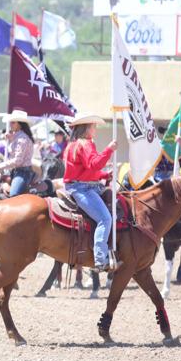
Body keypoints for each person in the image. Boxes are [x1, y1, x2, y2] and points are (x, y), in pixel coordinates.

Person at [62, 112, 118, 272]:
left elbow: (85, 170)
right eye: (93, 126)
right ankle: (101, 259)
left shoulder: (72, 144)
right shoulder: (86, 144)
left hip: (77, 185)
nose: (95, 129)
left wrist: (104, 175)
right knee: (105, 219)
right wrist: (109, 149)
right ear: (86, 128)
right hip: (82, 188)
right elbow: (94, 164)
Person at [0, 110, 35, 196]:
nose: (10, 124)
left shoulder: (22, 139)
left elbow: (18, 161)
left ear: (19, 124)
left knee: (13, 194)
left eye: (13, 122)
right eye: (11, 122)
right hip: (15, 171)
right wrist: (11, 138)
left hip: (23, 172)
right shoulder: (17, 137)